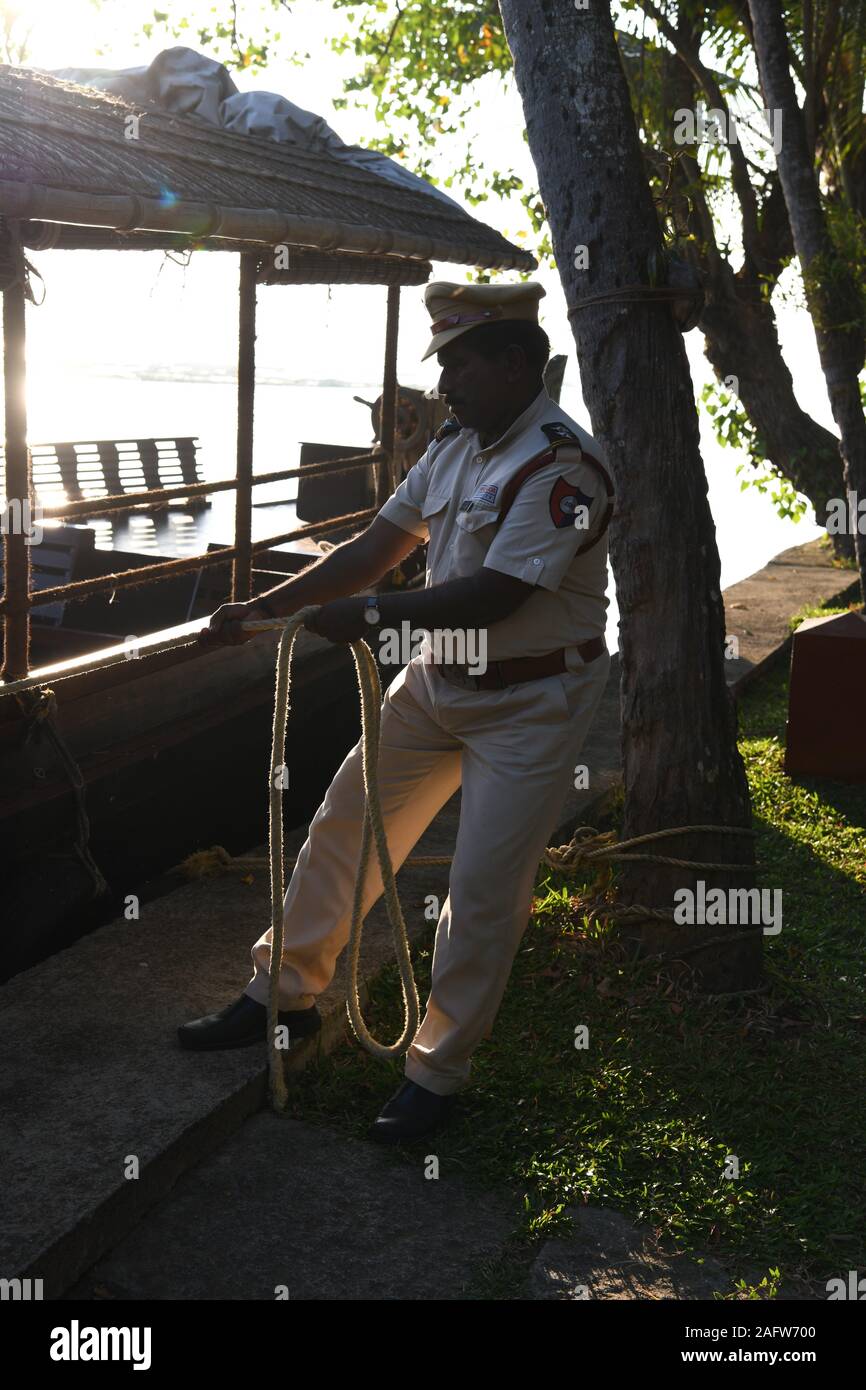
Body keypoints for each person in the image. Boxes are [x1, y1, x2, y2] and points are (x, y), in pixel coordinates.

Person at [178, 279, 615, 1144]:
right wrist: (266, 610)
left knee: (481, 889)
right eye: (442, 364)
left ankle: (434, 1077)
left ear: (517, 361)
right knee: (344, 823)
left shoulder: (564, 463)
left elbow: (496, 595)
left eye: (459, 365)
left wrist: (373, 619)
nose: (443, 386)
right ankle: (286, 995)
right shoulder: (456, 446)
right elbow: (376, 549)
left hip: (532, 698)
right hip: (438, 681)